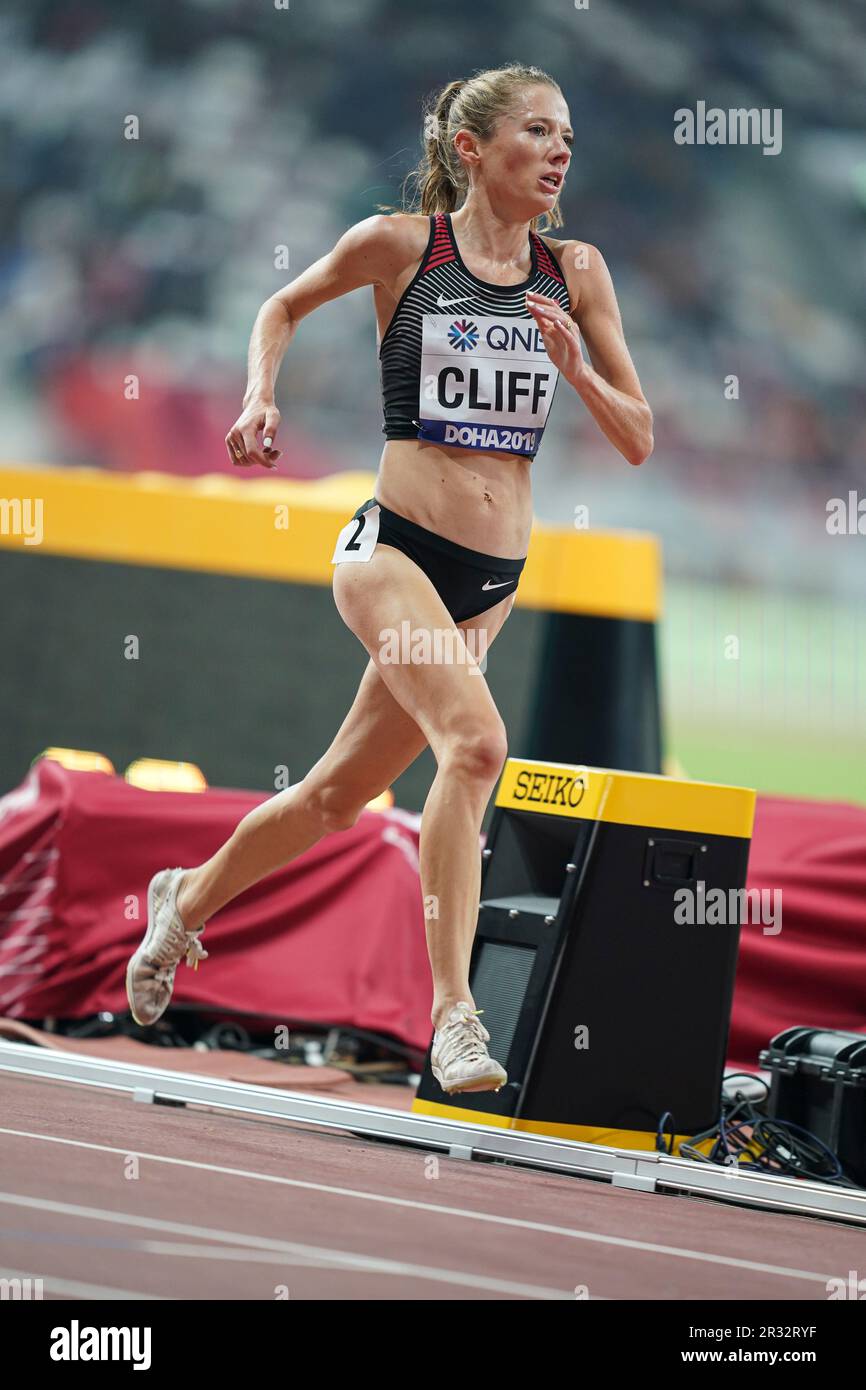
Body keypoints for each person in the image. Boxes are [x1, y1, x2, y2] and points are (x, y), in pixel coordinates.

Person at [125, 63, 652, 1096]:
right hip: (391, 551)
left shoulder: (574, 272)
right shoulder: (401, 249)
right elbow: (280, 305)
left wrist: (578, 369)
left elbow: (635, 435)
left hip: (489, 580)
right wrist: (258, 399)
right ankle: (454, 1015)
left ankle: (182, 901)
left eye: (569, 142)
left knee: (330, 797)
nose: (557, 154)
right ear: (470, 148)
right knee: (477, 743)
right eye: (537, 133)